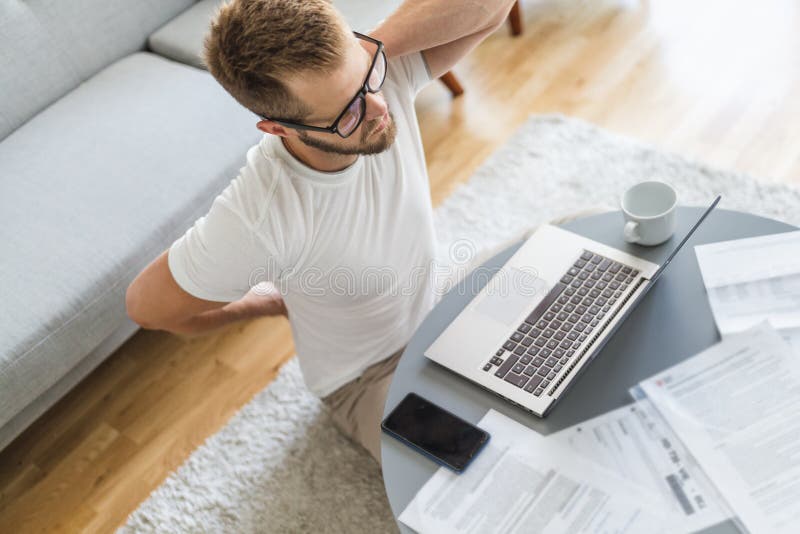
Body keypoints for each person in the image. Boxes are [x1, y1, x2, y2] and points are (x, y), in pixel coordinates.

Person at [125, 0, 519, 464]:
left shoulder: (375, 79)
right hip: (368, 378)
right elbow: (146, 308)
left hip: (437, 300)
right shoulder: (260, 218)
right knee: (482, 466)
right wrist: (268, 303)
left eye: (367, 79)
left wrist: (374, 53)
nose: (378, 108)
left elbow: (494, 7)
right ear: (278, 127)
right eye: (348, 113)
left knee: (591, 264)